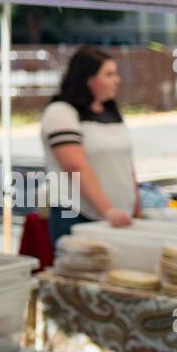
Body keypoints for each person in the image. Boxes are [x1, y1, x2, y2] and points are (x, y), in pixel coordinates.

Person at [41, 45, 141, 247]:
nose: (117, 80)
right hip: (79, 216)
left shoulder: (110, 111)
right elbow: (75, 167)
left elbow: (126, 163)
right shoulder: (61, 112)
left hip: (119, 218)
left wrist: (136, 205)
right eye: (109, 74)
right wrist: (107, 211)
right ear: (88, 78)